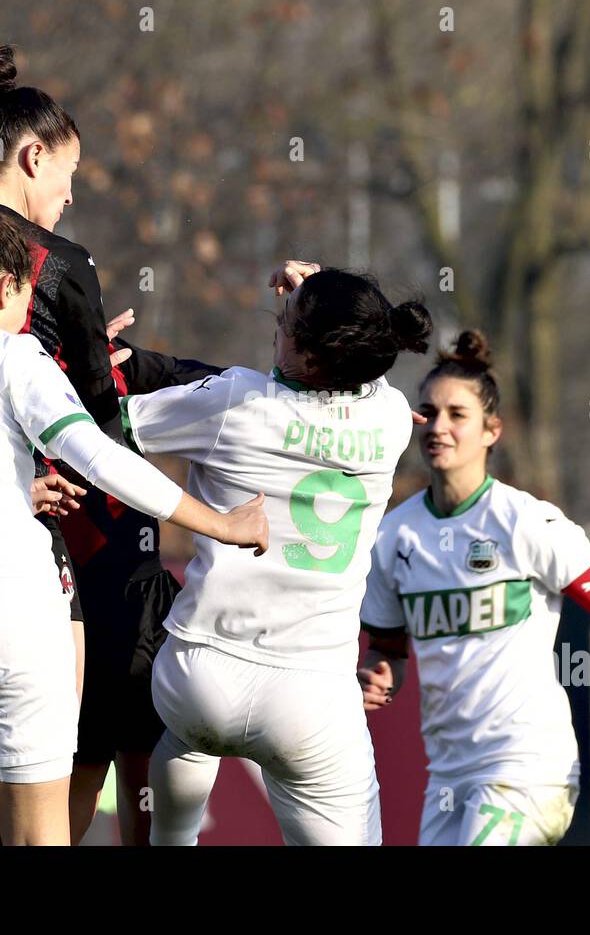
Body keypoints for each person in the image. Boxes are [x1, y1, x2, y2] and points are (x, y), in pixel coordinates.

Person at [0, 209, 266, 844]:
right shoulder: (11, 349)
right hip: (8, 603)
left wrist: (11, 490)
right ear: (8, 289)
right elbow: (99, 457)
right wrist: (220, 523)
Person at [127, 267, 433, 845]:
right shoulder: (391, 418)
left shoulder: (234, 399)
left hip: (200, 674)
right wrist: (319, 294)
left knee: (184, 749)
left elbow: (109, 429)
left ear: (314, 357)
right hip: (310, 695)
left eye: (288, 322)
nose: (277, 327)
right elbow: (359, 369)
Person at [357, 330, 590, 846]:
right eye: (429, 412)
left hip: (527, 769)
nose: (440, 426)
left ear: (492, 431)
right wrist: (380, 674)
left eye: (458, 414)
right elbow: (389, 653)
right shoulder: (393, 535)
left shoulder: (525, 522)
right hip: (449, 777)